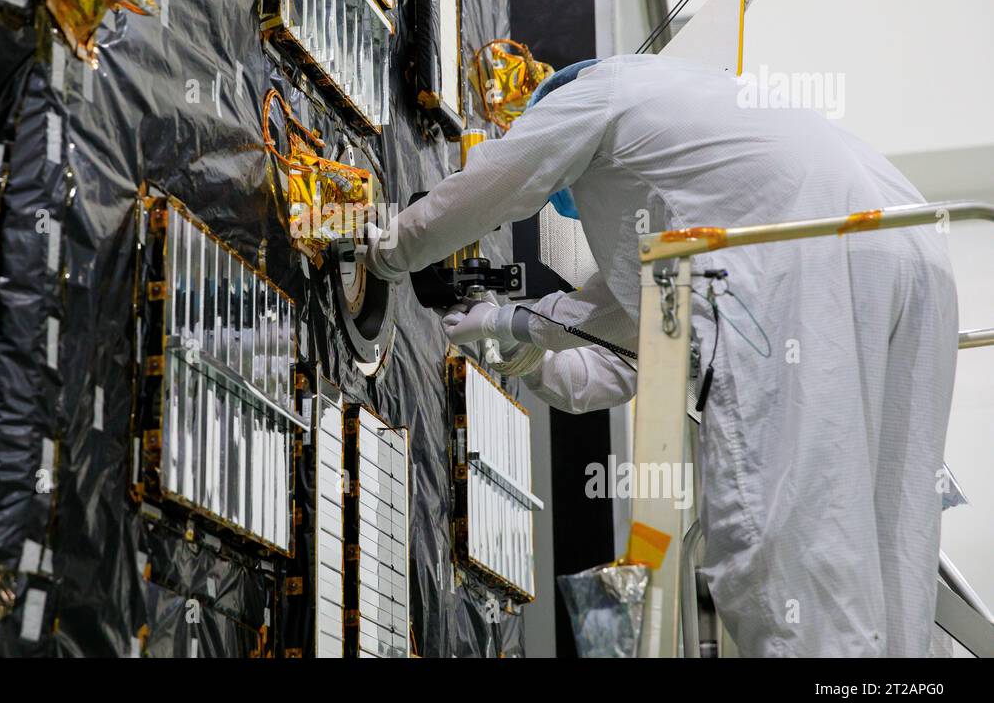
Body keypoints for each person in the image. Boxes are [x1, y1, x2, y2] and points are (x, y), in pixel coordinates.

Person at [365, 55, 959, 657]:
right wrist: (515, 340)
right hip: (913, 252)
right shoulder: (702, 135)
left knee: (786, 539)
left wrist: (390, 251)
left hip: (807, 257)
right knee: (891, 534)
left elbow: (492, 183)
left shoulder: (599, 91)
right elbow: (621, 349)